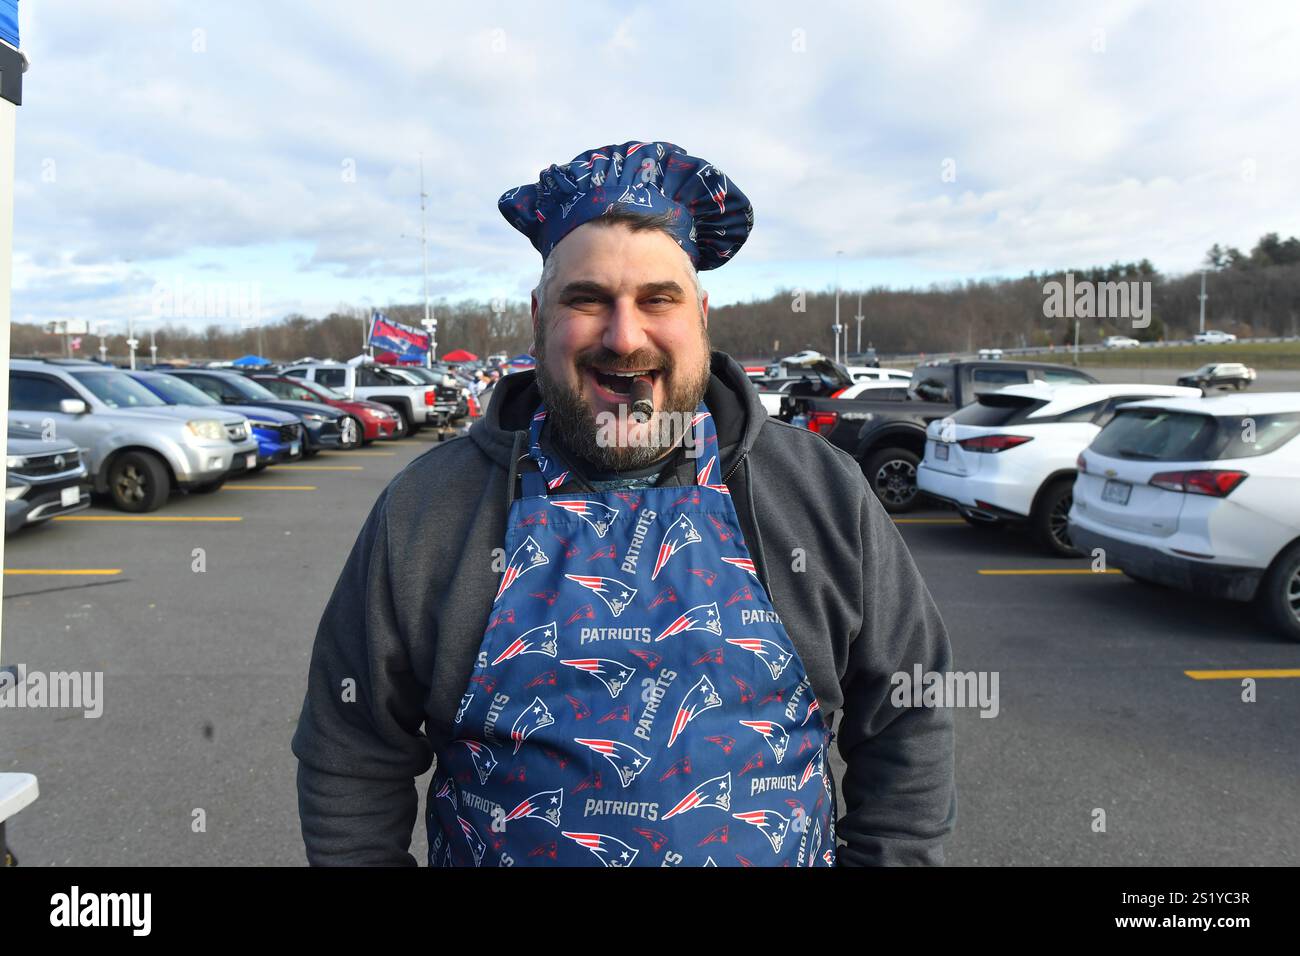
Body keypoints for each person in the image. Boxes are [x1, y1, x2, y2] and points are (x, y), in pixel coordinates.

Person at [293, 140, 956, 867]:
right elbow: (351, 752)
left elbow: (906, 720)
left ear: (699, 315)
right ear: (540, 316)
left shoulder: (821, 496)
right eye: (588, 300)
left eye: (657, 300)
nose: (623, 335)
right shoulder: (427, 510)